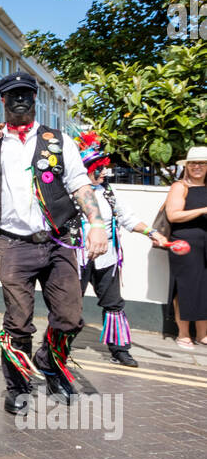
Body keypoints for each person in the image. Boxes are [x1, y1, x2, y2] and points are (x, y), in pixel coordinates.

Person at [0, 73, 109, 414]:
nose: (21, 100)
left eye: (27, 94)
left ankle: (51, 363)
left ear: (35, 98)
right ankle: (18, 385)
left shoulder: (58, 140)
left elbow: (80, 185)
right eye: (14, 95)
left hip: (59, 242)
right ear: (3, 101)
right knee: (18, 320)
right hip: (14, 245)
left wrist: (97, 224)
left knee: (70, 318)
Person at [74, 132, 170, 367]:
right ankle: (58, 349)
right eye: (100, 168)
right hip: (76, 257)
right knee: (67, 305)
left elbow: (128, 218)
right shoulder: (71, 194)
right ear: (86, 170)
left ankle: (119, 350)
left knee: (114, 304)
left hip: (107, 257)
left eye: (104, 168)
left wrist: (152, 233)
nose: (105, 172)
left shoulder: (109, 193)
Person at [165, 145, 207, 348]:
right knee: (185, 288)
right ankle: (183, 333)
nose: (197, 166)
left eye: (202, 163)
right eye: (193, 163)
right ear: (187, 166)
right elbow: (173, 215)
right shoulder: (180, 186)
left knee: (205, 288)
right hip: (185, 245)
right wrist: (203, 211)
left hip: (205, 244)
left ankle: (202, 334)